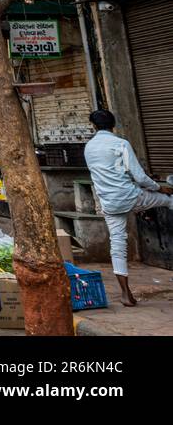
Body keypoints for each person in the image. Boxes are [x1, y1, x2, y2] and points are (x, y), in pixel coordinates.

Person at [83, 109, 173, 305]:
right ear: (113, 125)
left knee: (117, 245)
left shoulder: (89, 148)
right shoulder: (120, 144)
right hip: (130, 196)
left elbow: (110, 173)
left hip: (109, 202)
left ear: (94, 126)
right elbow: (139, 177)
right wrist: (160, 188)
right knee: (168, 200)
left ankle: (125, 294)